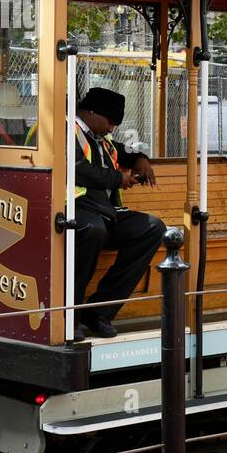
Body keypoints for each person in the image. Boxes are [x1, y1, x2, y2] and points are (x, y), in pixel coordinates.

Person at [73, 87, 165, 339]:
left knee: (152, 228)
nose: (113, 127)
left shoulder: (100, 136)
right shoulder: (66, 129)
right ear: (91, 113)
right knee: (92, 230)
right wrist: (118, 178)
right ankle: (68, 315)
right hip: (74, 210)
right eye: (111, 121)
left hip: (106, 212)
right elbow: (79, 169)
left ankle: (99, 311)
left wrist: (141, 158)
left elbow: (124, 151)